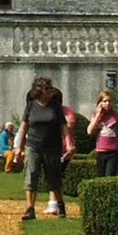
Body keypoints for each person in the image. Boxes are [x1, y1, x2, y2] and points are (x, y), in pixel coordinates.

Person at [14, 75, 71, 220]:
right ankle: (30, 209)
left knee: (53, 178)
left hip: (52, 146)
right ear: (38, 90)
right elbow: (24, 126)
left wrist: (69, 142)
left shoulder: (55, 106)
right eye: (46, 89)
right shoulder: (31, 105)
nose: (49, 91)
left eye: (49, 88)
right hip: (33, 145)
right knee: (31, 175)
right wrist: (18, 146)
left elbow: (63, 126)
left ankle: (60, 204)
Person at [87, 89, 118, 177]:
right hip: (100, 151)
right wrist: (98, 114)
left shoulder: (117, 116)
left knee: (109, 176)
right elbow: (89, 131)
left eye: (109, 101)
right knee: (100, 176)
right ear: (100, 102)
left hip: (113, 152)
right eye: (105, 101)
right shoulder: (96, 116)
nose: (107, 103)